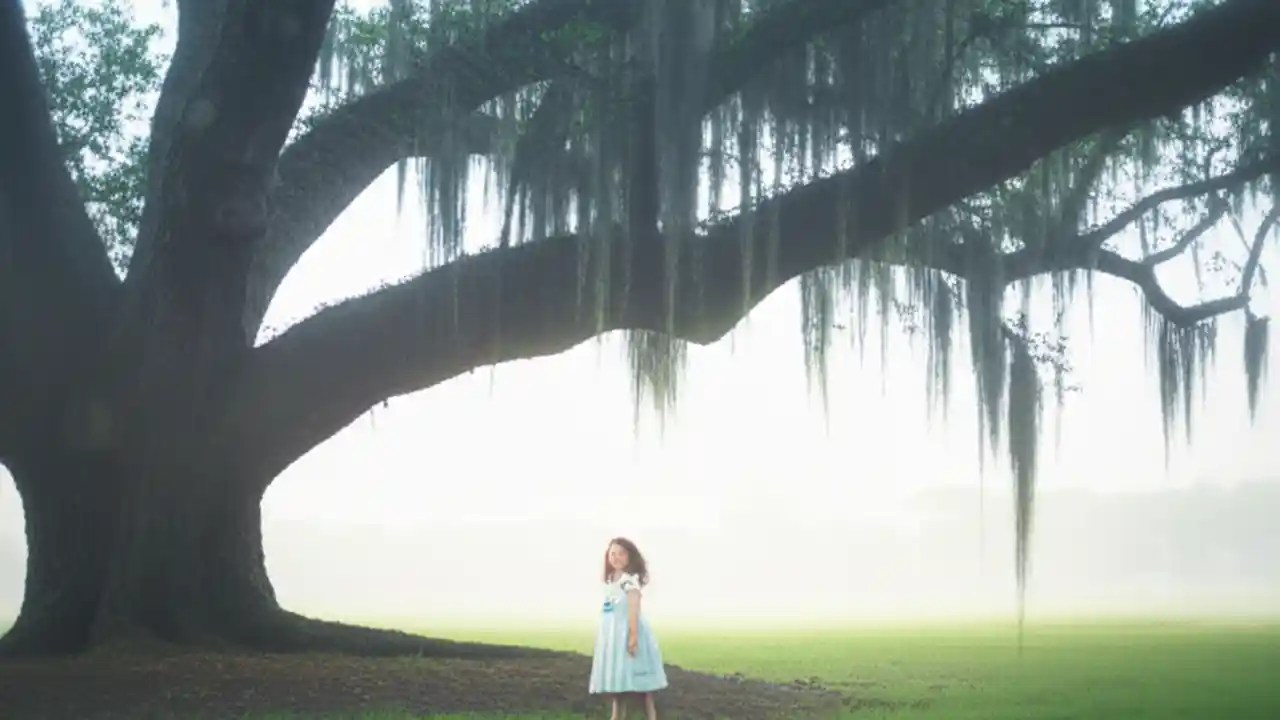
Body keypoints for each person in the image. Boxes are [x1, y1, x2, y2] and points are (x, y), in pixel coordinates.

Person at [589, 537, 668, 720]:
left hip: (628, 632)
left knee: (641, 679)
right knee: (619, 678)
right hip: (613, 636)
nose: (616, 558)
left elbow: (634, 608)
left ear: (629, 557)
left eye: (621, 554)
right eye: (612, 554)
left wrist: (633, 636)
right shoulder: (610, 582)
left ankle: (651, 715)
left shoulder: (628, 581)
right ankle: (617, 716)